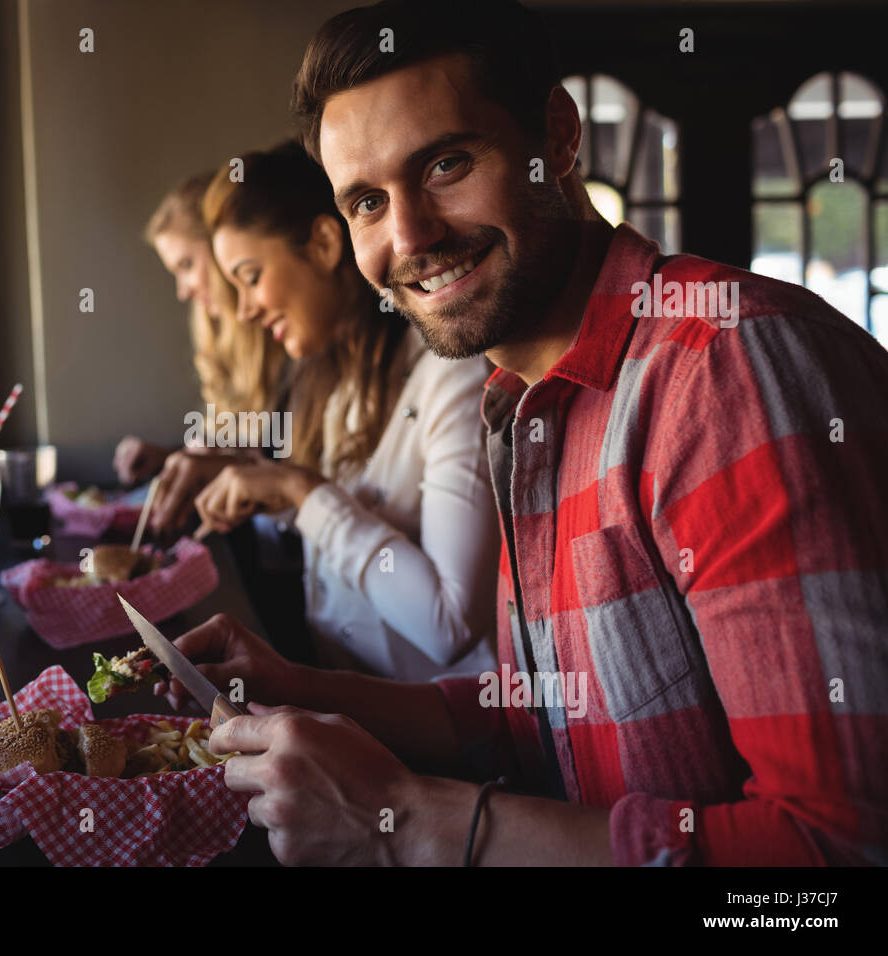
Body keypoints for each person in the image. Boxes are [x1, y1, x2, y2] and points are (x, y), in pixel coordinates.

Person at [159, 0, 888, 866]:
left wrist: (406, 818)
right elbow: (546, 712)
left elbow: (835, 853)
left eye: (448, 163)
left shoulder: (726, 370)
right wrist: (305, 691)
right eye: (365, 202)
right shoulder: (520, 397)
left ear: (558, 136)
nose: (410, 237)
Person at [186, 141, 500, 681]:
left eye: (251, 275)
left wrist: (302, 491)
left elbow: (449, 626)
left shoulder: (450, 376)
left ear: (325, 243)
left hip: (450, 746)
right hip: (348, 711)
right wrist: (253, 484)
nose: (244, 309)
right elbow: (327, 527)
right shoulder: (329, 378)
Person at [113, 172, 285, 487]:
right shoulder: (225, 349)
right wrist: (168, 458)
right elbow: (237, 457)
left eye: (187, 265)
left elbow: (286, 471)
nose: (183, 291)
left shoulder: (290, 338)